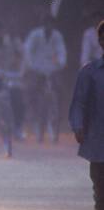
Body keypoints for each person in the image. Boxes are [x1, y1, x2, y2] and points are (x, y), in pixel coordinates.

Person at [69, 19, 104, 210]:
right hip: (98, 141)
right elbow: (79, 103)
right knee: (100, 188)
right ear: (100, 41)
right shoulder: (89, 72)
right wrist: (78, 127)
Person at [24, 8, 67, 144]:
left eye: (51, 23)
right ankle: (33, 114)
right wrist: (32, 66)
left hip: (52, 69)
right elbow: (28, 51)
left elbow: (61, 52)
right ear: (43, 24)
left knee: (60, 91)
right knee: (31, 90)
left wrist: (60, 63)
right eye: (46, 23)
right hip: (37, 69)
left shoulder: (57, 36)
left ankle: (60, 116)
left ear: (53, 24)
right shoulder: (35, 35)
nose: (49, 26)